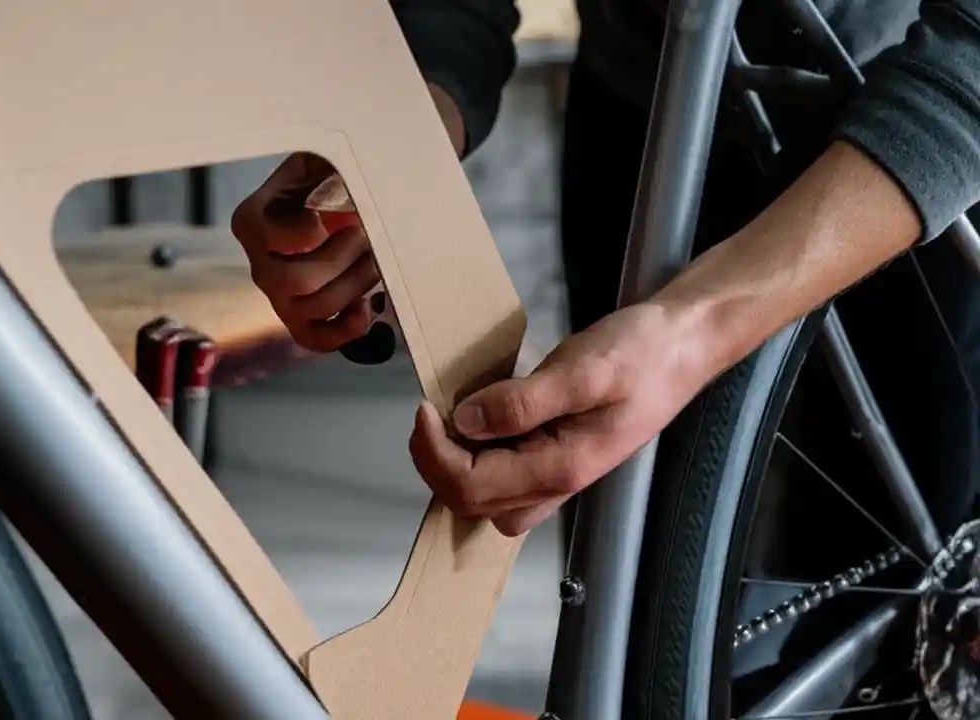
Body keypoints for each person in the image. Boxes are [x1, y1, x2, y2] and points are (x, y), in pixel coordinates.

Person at [230, 0, 980, 539]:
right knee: (624, 573)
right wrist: (401, 145)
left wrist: (694, 330)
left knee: (898, 591)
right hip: (642, 104)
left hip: (906, 140)